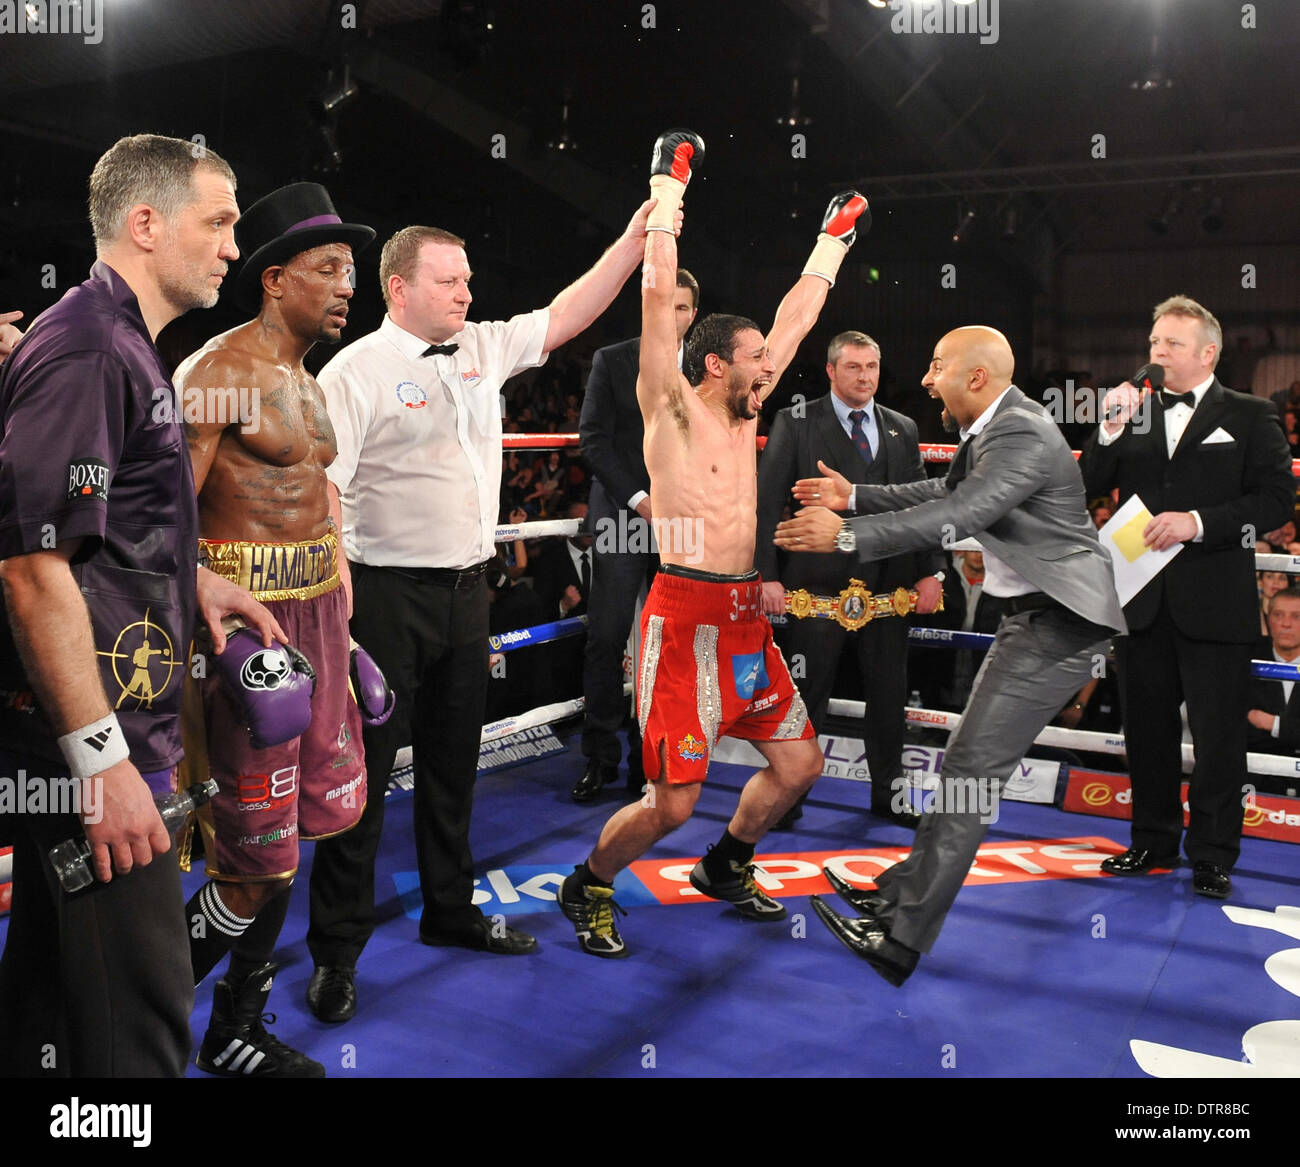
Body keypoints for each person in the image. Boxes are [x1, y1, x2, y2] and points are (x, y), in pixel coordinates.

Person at [304, 180, 681, 1021]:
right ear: (398, 288)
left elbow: (569, 313)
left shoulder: (482, 345)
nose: (467, 293)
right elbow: (323, 494)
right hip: (384, 598)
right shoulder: (353, 372)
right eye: (449, 281)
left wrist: (632, 236)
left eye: (468, 279)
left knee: (451, 766)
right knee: (359, 779)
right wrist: (339, 618)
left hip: (470, 592)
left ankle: (449, 911)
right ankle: (336, 951)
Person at [0, 133, 282, 1076]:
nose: (235, 247)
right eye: (219, 222)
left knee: (53, 1000)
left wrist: (193, 578)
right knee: (144, 1031)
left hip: (102, 732)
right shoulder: (88, 348)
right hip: (98, 742)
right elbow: (31, 565)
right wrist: (99, 761)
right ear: (147, 222)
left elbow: (106, 527)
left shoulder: (123, 344)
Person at [557, 130, 866, 959]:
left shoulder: (746, 406)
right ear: (714, 367)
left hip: (742, 621)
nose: (770, 369)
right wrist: (666, 191)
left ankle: (726, 865)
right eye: (756, 360)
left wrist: (831, 243)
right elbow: (659, 297)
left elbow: (799, 317)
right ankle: (586, 882)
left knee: (798, 764)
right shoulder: (670, 406)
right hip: (683, 616)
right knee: (672, 802)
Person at [774, 325, 1125, 985]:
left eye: (937, 366)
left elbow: (960, 516)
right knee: (963, 763)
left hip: (1061, 624)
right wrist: (857, 496)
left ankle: (901, 940)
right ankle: (900, 891)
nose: (926, 379)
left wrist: (848, 534)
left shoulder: (1019, 432)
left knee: (968, 774)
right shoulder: (994, 427)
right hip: (1035, 620)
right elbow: (941, 494)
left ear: (975, 377)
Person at [172, 182, 376, 1075]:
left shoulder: (309, 381)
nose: (346, 287)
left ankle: (234, 1026)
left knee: (291, 845)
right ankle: (128, 1003)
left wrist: (346, 618)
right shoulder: (216, 373)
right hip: (242, 629)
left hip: (320, 618)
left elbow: (319, 504)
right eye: (329, 269)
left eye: (353, 272)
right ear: (274, 277)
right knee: (250, 855)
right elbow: (161, 514)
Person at [1081, 295, 1294, 900]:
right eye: (1153, 344)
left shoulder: (1251, 414)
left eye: (1170, 345)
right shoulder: (1137, 411)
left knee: (1219, 737)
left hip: (1215, 602)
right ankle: (1150, 840)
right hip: (1142, 597)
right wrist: (1111, 424)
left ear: (1207, 352)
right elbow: (1088, 483)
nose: (1157, 355)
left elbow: (1277, 498)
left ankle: (1213, 855)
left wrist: (1197, 521)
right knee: (1145, 730)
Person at [756, 330, 943, 830]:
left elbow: (923, 506)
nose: (865, 377)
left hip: (888, 589)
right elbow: (768, 501)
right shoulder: (795, 422)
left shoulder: (902, 427)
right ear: (832, 371)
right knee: (807, 696)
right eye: (855, 367)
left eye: (872, 367)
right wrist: (766, 577)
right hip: (814, 589)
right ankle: (787, 797)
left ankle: (891, 795)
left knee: (888, 698)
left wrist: (931, 571)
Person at [573, 268, 699, 802]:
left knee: (678, 641)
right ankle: (600, 758)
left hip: (685, 518)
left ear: (695, 313)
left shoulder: (706, 367)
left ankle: (659, 758)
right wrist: (641, 500)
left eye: (684, 308)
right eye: (666, 305)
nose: (674, 317)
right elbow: (593, 441)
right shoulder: (612, 359)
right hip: (625, 514)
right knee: (606, 635)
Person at [1246, 585, 1300, 785]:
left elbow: (1256, 724)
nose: (1286, 624)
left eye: (1296, 617)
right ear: (1269, 619)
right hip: (1254, 778)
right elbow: (1237, 727)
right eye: (1279, 615)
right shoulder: (1247, 657)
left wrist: (1273, 724)